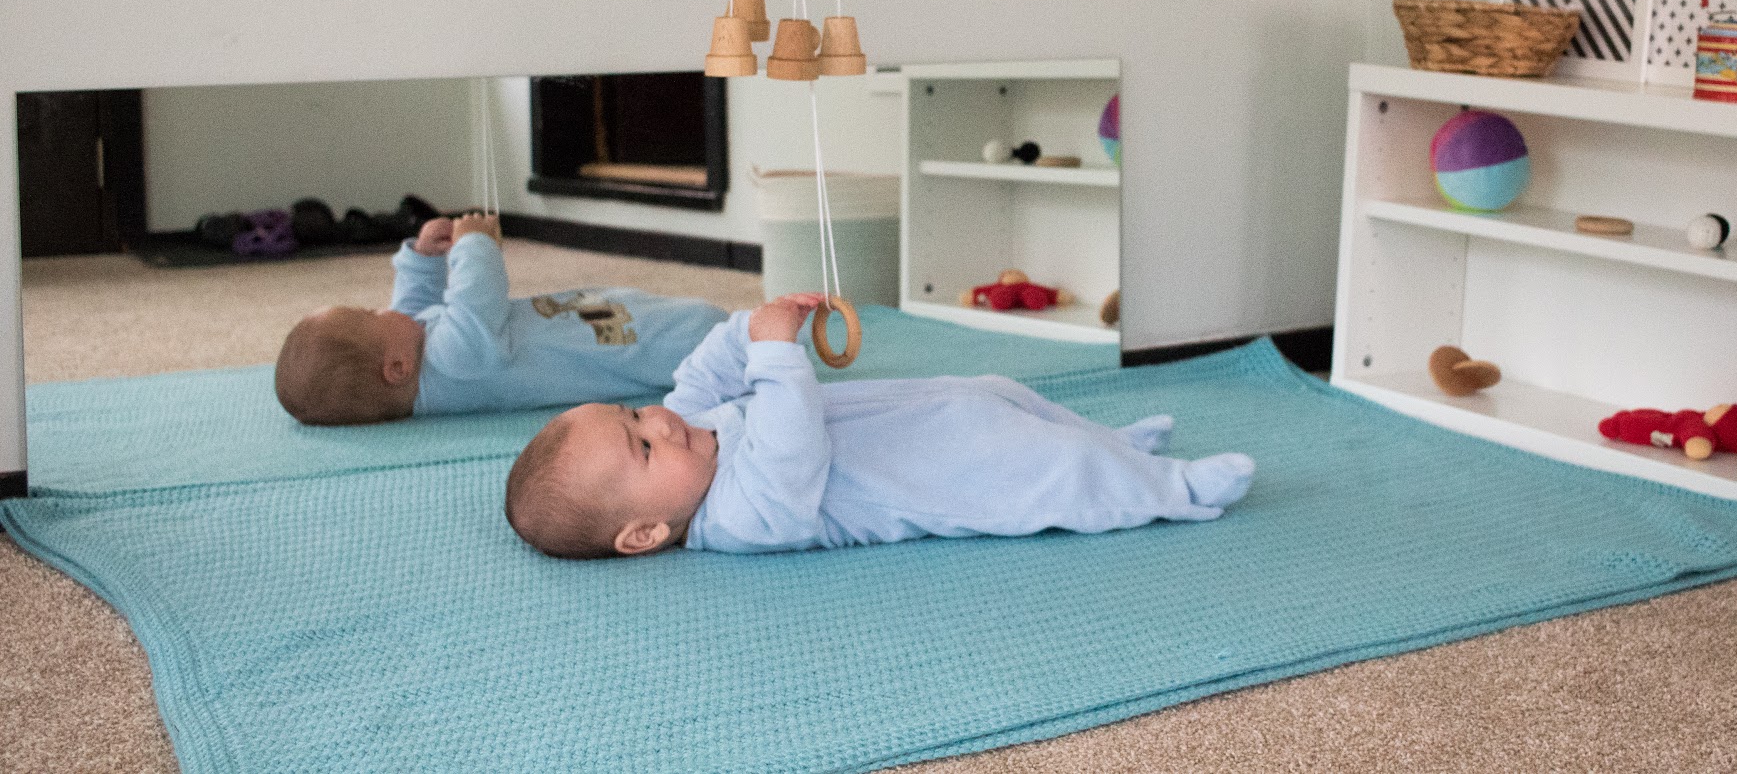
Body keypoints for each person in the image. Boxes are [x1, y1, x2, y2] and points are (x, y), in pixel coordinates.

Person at [503, 293, 1255, 559]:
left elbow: (702, 371)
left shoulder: (688, 430)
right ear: (644, 532)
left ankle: (1115, 443)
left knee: (1002, 391)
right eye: (641, 445)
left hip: (926, 410)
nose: (661, 420)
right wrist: (773, 353)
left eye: (636, 412)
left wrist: (756, 327)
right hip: (947, 478)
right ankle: (1173, 489)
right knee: (1047, 471)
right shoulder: (737, 517)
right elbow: (792, 442)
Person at [273, 213, 728, 425]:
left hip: (598, 318)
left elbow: (411, 307)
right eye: (372, 315)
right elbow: (476, 297)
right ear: (396, 370)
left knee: (661, 311)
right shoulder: (455, 361)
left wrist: (422, 258)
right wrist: (474, 244)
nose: (385, 309)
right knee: (703, 333)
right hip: (622, 351)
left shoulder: (414, 349)